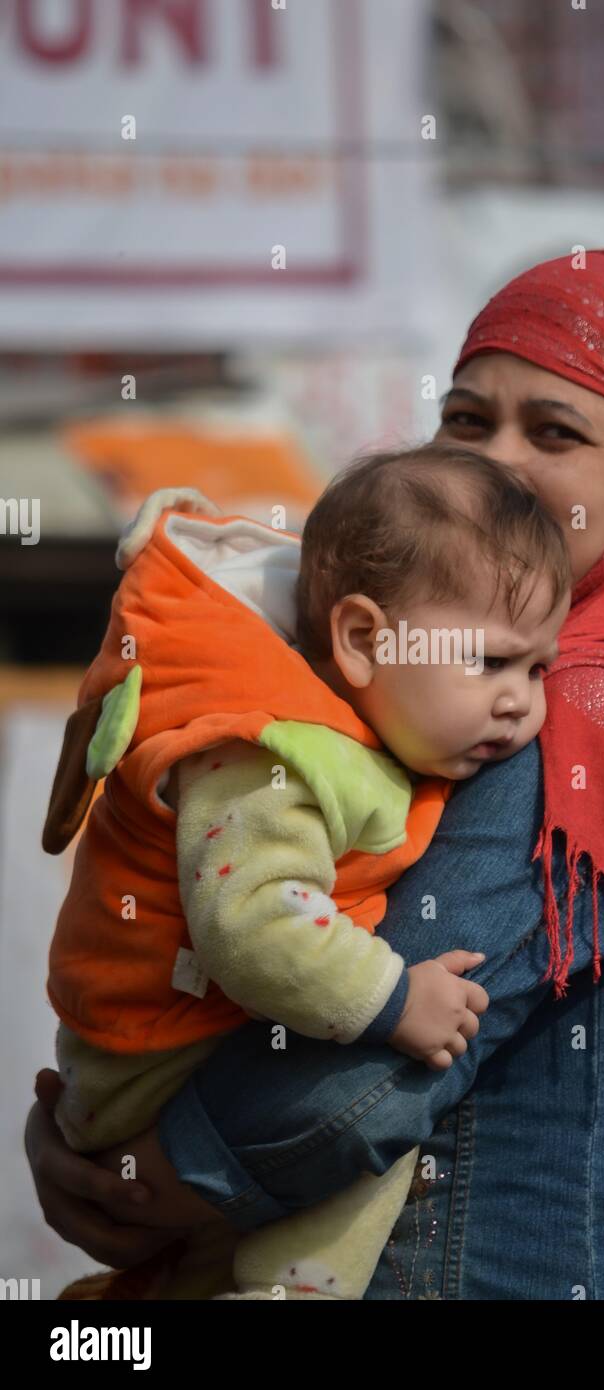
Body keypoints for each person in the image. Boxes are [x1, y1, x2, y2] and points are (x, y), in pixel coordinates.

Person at [26, 250, 604, 1300]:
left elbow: (354, 1072)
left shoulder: (575, 719)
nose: (497, 464)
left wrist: (129, 1169)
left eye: (554, 432)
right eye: (465, 421)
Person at [40, 444, 570, 1299]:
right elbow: (253, 922)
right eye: (489, 662)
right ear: (362, 639)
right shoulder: (269, 751)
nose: (522, 702)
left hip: (167, 1054)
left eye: (538, 667)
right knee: (375, 1142)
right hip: (152, 1058)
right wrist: (397, 1000)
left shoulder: (346, 721)